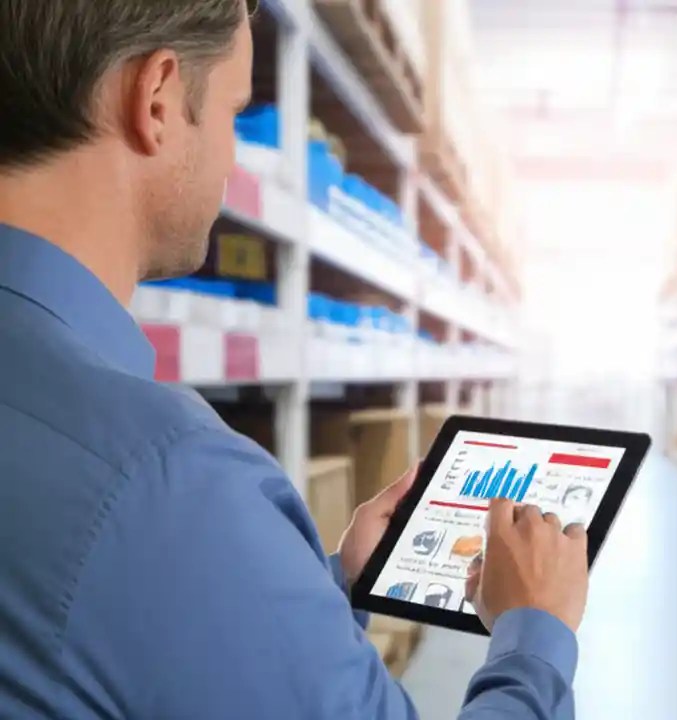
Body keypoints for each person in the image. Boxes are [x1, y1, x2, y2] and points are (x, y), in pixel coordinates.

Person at [0, 1, 588, 718]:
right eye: (231, 111)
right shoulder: (168, 477)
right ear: (155, 100)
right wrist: (536, 632)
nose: (231, 154)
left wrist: (322, 587)